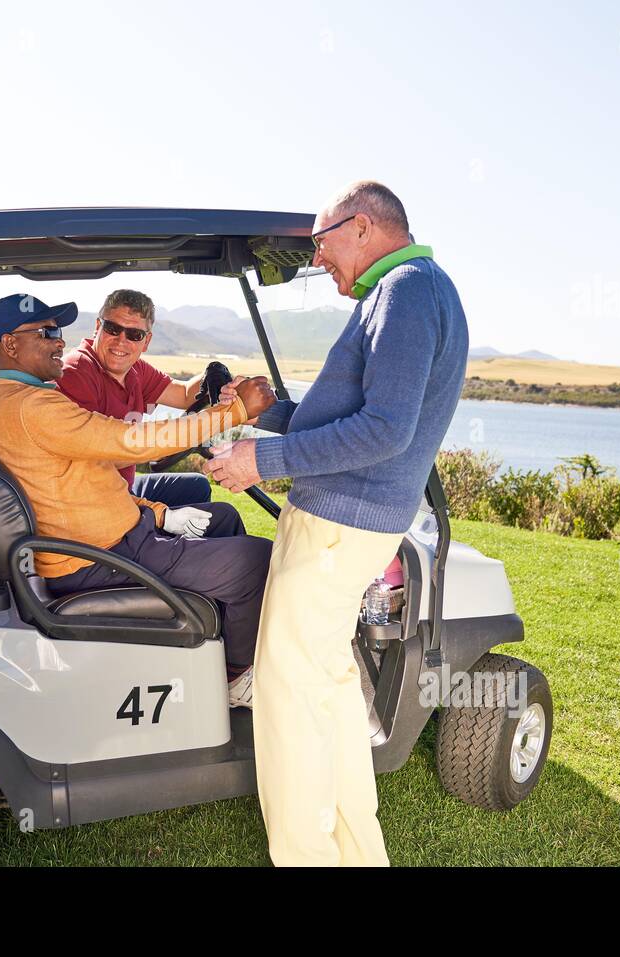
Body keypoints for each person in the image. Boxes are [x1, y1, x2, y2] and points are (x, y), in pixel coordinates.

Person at [205, 181, 469, 865]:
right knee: (329, 690)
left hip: (334, 528)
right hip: (347, 522)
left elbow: (384, 431)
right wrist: (271, 411)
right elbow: (353, 421)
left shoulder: (406, 291)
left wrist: (262, 460)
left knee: (289, 700)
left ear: (362, 227)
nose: (319, 260)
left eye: (321, 245)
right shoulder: (415, 289)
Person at [0, 293, 278, 706]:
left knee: (223, 518)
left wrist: (155, 515)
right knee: (257, 560)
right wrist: (234, 413)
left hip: (113, 535)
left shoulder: (25, 400)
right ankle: (234, 678)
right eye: (48, 333)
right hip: (98, 556)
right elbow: (130, 443)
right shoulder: (37, 405)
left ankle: (221, 640)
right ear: (10, 344)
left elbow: (94, 481)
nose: (59, 341)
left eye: (59, 331)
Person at [56, 289, 211, 509]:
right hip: (94, 501)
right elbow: (96, 459)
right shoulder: (76, 372)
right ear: (98, 327)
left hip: (122, 487)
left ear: (146, 341)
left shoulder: (134, 369)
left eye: (134, 335)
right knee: (225, 517)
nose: (121, 342)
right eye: (112, 329)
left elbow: (185, 394)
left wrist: (215, 375)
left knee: (197, 486)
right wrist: (170, 441)